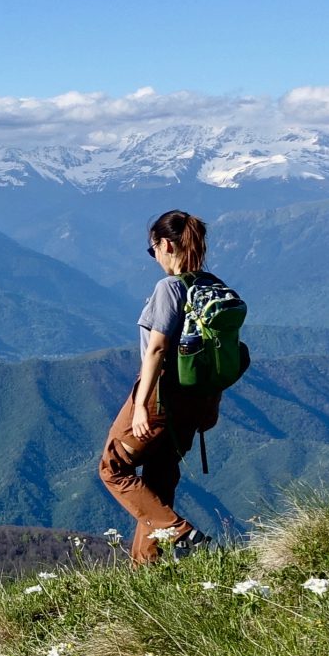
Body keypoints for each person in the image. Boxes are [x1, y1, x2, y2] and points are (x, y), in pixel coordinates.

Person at [100, 210, 221, 563]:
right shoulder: (213, 286)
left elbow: (157, 347)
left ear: (165, 244)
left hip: (159, 397)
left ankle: (181, 533)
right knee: (158, 483)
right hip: (195, 402)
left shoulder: (170, 288)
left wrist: (140, 405)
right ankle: (146, 570)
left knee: (113, 468)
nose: (153, 256)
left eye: (151, 249)